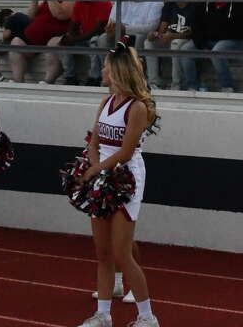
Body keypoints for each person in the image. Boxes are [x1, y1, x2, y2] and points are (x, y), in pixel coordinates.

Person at [75, 41, 160, 327]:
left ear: (119, 72)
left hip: (127, 176)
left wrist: (95, 171)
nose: (102, 71)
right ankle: (103, 314)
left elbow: (125, 152)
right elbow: (94, 141)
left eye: (106, 68)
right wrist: (93, 166)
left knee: (122, 252)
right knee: (102, 251)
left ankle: (147, 317)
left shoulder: (137, 108)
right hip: (103, 174)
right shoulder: (105, 102)